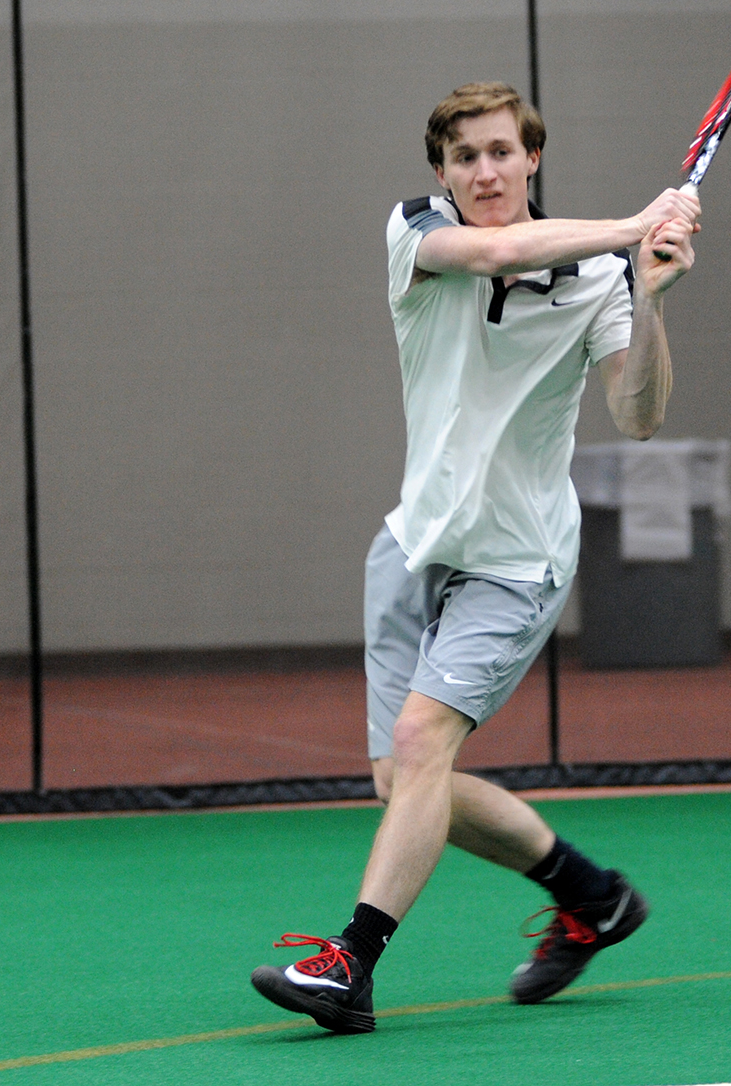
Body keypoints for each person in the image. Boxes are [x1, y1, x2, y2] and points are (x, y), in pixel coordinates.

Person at [250, 81, 700, 1035]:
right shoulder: (417, 235)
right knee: (406, 781)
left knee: (420, 748)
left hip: (517, 558)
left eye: (502, 152)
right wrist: (632, 224)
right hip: (413, 545)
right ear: (442, 175)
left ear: (532, 158)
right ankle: (595, 897)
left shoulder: (601, 280)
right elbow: (496, 250)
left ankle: (349, 964)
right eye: (465, 158)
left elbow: (640, 417)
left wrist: (650, 298)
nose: (484, 172)